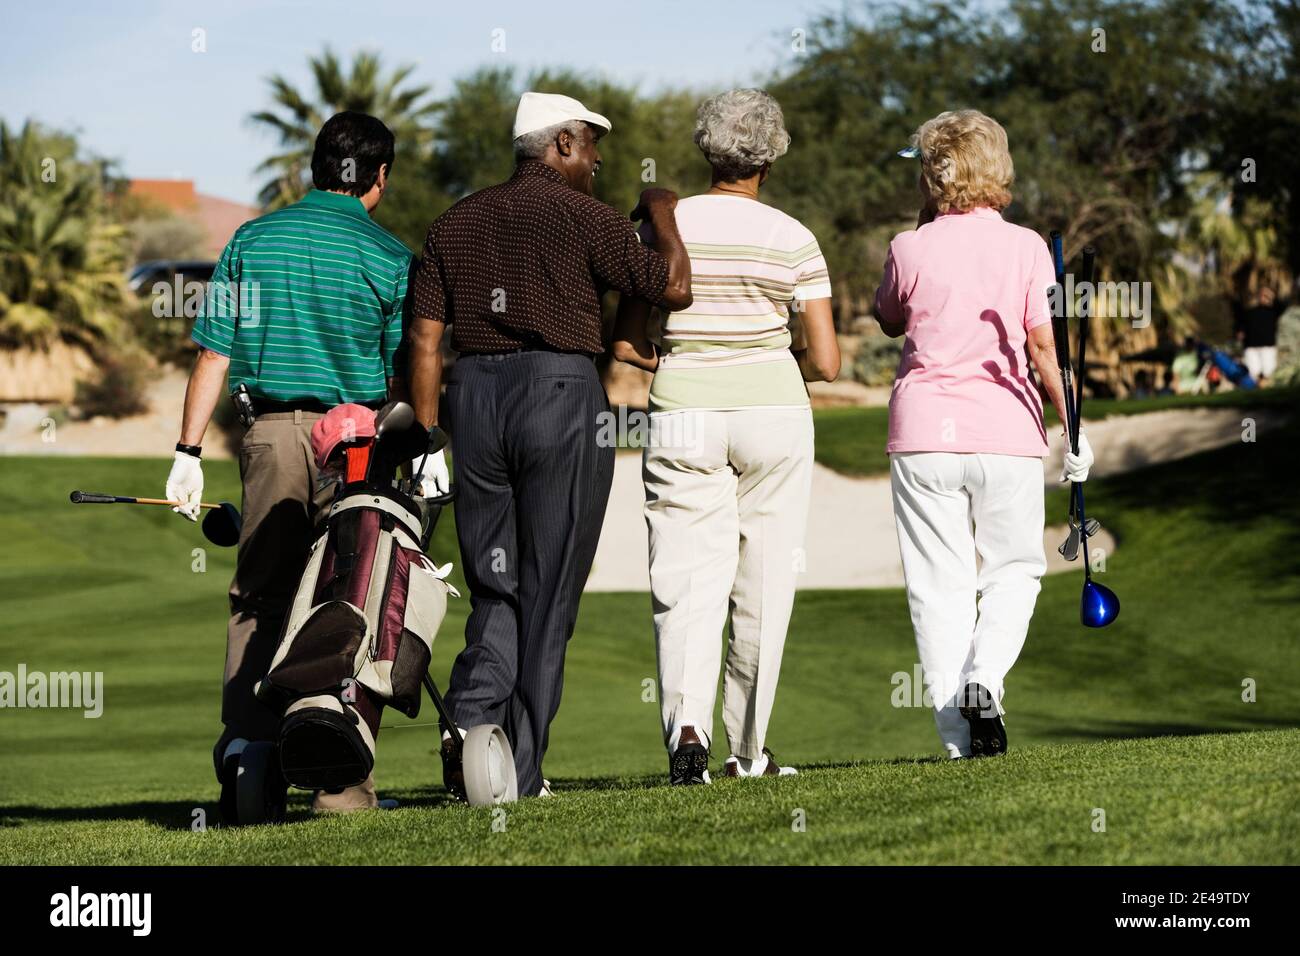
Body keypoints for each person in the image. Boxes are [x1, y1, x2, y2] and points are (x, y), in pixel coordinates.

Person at [407, 92, 693, 798]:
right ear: (561, 144)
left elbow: (423, 340)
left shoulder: (454, 221)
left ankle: (472, 722)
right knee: (550, 587)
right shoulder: (590, 218)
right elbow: (674, 286)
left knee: (494, 580)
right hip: (560, 394)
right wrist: (660, 207)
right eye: (592, 148)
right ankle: (521, 772)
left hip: (471, 399)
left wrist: (424, 437)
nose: (597, 165)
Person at [168, 111, 447, 816]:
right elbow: (398, 380)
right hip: (354, 444)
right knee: (352, 592)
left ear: (316, 166)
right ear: (378, 177)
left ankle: (247, 757)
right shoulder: (387, 256)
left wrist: (188, 450)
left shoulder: (252, 239)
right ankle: (340, 782)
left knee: (260, 594)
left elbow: (215, 351)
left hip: (268, 437)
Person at [612, 89, 839, 784]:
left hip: (682, 414)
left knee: (685, 582)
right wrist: (767, 358)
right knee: (764, 585)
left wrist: (681, 356)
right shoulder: (794, 237)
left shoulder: (664, 230)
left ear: (706, 150)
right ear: (769, 158)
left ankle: (687, 731)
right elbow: (827, 362)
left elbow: (626, 341)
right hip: (773, 413)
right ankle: (748, 752)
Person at [874, 109, 1093, 759]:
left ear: (933, 176)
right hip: (1006, 430)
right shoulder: (1026, 246)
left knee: (936, 586)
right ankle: (984, 680)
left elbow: (889, 317)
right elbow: (1043, 347)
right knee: (1014, 570)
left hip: (922, 436)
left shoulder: (907, 247)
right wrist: (1074, 428)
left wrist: (923, 228)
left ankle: (957, 744)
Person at [1236, 284, 1284, 385]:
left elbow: (1282, 305)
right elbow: (1241, 326)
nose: (1263, 297)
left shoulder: (1274, 311)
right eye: (1262, 295)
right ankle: (1258, 388)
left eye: (1266, 295)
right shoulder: (1250, 312)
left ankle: (1266, 387)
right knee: (1253, 371)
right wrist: (1240, 333)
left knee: (1268, 371)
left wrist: (1271, 296)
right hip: (1251, 346)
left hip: (1268, 346)